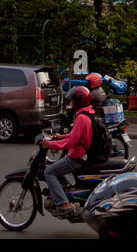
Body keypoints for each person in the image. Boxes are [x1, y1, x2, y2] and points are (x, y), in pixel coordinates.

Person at [41, 86, 96, 218]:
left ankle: (63, 203)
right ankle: (66, 190)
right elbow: (74, 136)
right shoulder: (87, 113)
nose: (71, 103)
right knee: (55, 168)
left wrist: (51, 144)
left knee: (48, 172)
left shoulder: (81, 118)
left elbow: (71, 143)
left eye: (73, 100)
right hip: (81, 155)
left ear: (78, 101)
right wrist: (61, 137)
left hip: (77, 158)